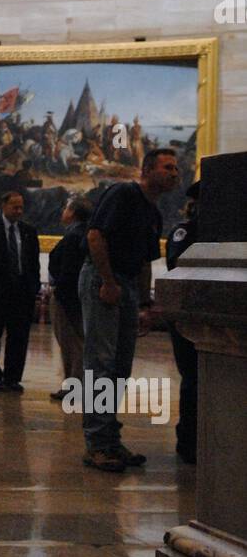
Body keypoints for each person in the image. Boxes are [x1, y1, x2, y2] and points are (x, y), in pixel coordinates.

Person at [78, 147, 180, 472]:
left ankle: (110, 439)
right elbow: (95, 237)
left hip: (127, 284)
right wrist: (108, 282)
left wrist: (146, 303)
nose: (174, 173)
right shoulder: (123, 193)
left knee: (120, 367)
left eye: (176, 169)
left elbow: (146, 262)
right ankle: (96, 445)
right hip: (102, 279)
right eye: (167, 167)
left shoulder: (154, 212)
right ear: (147, 170)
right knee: (101, 362)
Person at [0, 190, 41, 392]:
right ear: (4, 206)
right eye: (15, 207)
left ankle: (12, 377)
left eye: (21, 207)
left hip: (22, 292)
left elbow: (33, 262)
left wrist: (34, 286)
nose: (19, 211)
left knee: (19, 336)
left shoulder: (29, 231)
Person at [165, 180, 200, 464]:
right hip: (187, 315)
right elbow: (179, 265)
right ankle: (188, 442)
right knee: (193, 379)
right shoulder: (185, 231)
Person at [48, 195, 92, 399]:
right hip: (74, 297)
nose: (62, 212)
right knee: (75, 344)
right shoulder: (83, 233)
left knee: (71, 345)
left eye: (66, 208)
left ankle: (74, 388)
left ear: (72, 213)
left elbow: (68, 272)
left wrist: (59, 293)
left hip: (67, 299)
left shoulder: (74, 236)